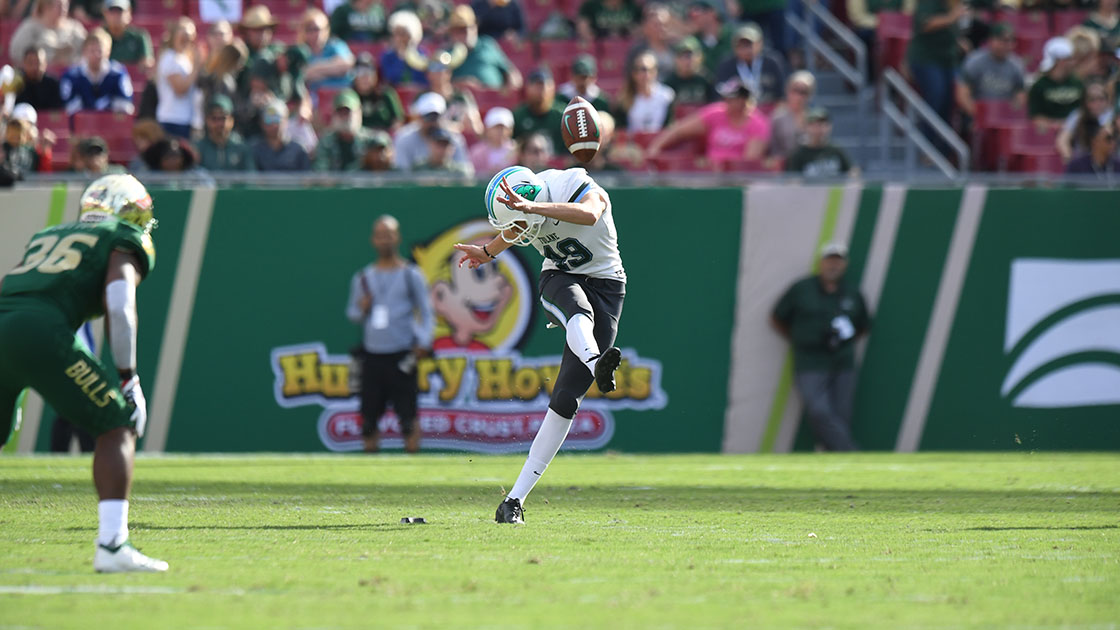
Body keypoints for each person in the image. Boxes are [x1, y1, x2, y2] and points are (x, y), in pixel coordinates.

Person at [0, 173, 168, 572]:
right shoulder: (123, 239)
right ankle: (112, 546)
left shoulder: (52, 233)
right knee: (116, 426)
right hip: (38, 328)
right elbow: (120, 304)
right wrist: (129, 379)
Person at [455, 165, 627, 524]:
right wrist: (488, 251)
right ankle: (597, 362)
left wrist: (532, 211)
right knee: (577, 310)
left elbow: (591, 212)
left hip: (608, 285)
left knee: (566, 399)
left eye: (521, 219)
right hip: (560, 275)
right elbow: (517, 227)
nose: (517, 232)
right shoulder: (526, 210)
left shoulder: (570, 183)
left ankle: (512, 501)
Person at [345, 215, 434, 454]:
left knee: (408, 416)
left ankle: (413, 468)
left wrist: (424, 342)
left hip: (402, 354)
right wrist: (362, 308)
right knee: (369, 419)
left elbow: (426, 311)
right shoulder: (363, 277)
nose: (384, 240)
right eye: (380, 235)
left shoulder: (410, 274)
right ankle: (369, 470)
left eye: (389, 234)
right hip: (373, 355)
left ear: (397, 237)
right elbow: (352, 313)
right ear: (373, 240)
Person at [771, 243, 871, 452]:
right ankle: (852, 454)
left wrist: (843, 341)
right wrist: (798, 338)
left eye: (838, 261)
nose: (833, 265)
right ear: (821, 262)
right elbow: (777, 317)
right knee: (819, 411)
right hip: (810, 361)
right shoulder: (802, 289)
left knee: (841, 415)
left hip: (842, 360)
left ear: (844, 264)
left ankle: (833, 465)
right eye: (829, 260)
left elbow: (863, 325)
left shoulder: (852, 292)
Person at [647, 78, 771, 165]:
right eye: (726, 97)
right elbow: (678, 130)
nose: (726, 101)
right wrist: (655, 147)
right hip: (710, 175)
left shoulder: (758, 124)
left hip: (737, 181)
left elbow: (748, 164)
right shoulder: (716, 113)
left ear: (744, 100)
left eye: (731, 98)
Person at [955, 22, 1025, 121]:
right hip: (977, 114)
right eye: (1002, 41)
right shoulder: (975, 61)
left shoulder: (1016, 64)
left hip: (1004, 116)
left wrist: (1012, 113)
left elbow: (1020, 95)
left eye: (1010, 41)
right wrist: (979, 115)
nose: (1006, 45)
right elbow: (962, 94)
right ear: (991, 41)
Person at [447, 5, 522, 91]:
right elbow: (439, 84)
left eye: (468, 27)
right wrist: (458, 85)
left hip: (494, 99)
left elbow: (513, 74)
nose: (466, 32)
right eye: (460, 29)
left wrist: (507, 90)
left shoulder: (487, 45)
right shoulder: (447, 55)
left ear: (475, 27)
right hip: (462, 101)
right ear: (452, 32)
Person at [60, 29, 134, 115]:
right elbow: (68, 107)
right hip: (81, 125)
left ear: (108, 51)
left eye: (99, 51)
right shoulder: (72, 76)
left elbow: (126, 106)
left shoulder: (118, 73)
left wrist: (107, 106)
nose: (96, 55)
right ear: (84, 51)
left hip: (110, 125)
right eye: (91, 50)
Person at [392, 91, 470, 171]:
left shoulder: (454, 139)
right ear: (419, 117)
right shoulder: (404, 139)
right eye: (428, 117)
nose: (433, 123)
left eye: (436, 117)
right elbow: (402, 175)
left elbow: (465, 175)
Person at [714, 23, 787, 106]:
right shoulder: (726, 66)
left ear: (760, 44)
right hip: (738, 111)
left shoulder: (772, 63)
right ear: (734, 47)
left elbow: (782, 93)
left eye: (749, 45)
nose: (746, 50)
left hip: (768, 109)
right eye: (741, 46)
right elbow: (719, 95)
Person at [155, 17, 200, 139]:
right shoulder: (170, 58)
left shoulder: (184, 59)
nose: (187, 36)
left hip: (184, 120)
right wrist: (196, 67)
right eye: (183, 31)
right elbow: (180, 89)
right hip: (172, 120)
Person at [8, 0, 87, 66]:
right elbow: (16, 52)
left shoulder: (74, 28)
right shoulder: (30, 27)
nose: (63, 9)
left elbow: (88, 49)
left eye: (65, 6)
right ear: (46, 7)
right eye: (59, 6)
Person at [1028, 37, 1084, 131]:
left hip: (1075, 132)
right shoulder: (1039, 86)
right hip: (1049, 135)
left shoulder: (1077, 83)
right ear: (1060, 61)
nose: (1073, 63)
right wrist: (1056, 124)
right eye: (1069, 59)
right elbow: (1036, 116)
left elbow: (1083, 112)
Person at [315, 89, 376, 171]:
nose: (344, 117)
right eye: (340, 112)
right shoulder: (326, 143)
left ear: (359, 112)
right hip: (336, 183)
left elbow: (384, 143)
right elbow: (321, 173)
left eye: (348, 112)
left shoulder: (371, 141)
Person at [615, 50, 675, 133]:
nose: (645, 74)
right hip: (633, 144)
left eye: (648, 70)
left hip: (661, 143)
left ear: (655, 71)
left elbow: (670, 126)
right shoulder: (624, 100)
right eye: (640, 70)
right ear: (633, 73)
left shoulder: (667, 96)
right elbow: (621, 129)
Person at [426, 51, 483, 137]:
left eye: (443, 67)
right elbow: (417, 126)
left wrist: (446, 127)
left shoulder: (462, 97)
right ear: (428, 73)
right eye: (434, 67)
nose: (440, 72)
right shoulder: (423, 98)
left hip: (459, 143)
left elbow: (476, 128)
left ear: (449, 72)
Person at [785, 108, 855, 177]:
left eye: (823, 125)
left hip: (832, 188)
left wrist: (853, 176)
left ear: (829, 127)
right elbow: (793, 180)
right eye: (814, 125)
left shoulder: (836, 150)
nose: (819, 129)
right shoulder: (799, 154)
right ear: (806, 127)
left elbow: (852, 171)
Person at [300, 8, 356, 95]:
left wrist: (315, 67)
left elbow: (346, 64)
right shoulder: (301, 51)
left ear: (326, 30)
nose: (313, 33)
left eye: (316, 29)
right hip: (315, 99)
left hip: (341, 95)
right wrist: (333, 70)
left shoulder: (336, 45)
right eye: (309, 29)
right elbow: (303, 75)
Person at [1057, 81, 1114, 162]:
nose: (1097, 103)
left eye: (1101, 99)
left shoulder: (1114, 116)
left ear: (1107, 100)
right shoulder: (1077, 116)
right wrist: (1068, 157)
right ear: (1085, 102)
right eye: (1092, 100)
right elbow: (1063, 139)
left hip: (1109, 161)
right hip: (1082, 160)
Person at [512, 67, 566, 154]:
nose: (541, 90)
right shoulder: (518, 116)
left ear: (552, 87)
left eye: (543, 86)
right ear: (527, 88)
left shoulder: (562, 115)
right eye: (536, 86)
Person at [196, 95, 254, 172]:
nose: (219, 123)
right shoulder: (198, 148)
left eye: (223, 118)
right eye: (214, 118)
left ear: (232, 120)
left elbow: (251, 179)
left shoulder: (241, 147)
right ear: (207, 120)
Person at [251, 100, 311, 171]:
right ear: (262, 123)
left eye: (277, 119)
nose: (274, 125)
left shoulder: (298, 150)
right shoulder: (254, 150)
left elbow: (306, 178)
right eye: (269, 120)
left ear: (286, 120)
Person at [768, 70, 815, 160]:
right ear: (787, 90)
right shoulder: (777, 117)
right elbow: (771, 149)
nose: (798, 96)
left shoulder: (814, 117)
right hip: (784, 167)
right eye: (795, 90)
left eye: (803, 92)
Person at [352, 53, 404, 133]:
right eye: (360, 72)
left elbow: (398, 121)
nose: (365, 77)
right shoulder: (350, 96)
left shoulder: (386, 94)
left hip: (385, 139)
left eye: (369, 72)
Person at [379, 10, 429, 87]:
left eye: (402, 34)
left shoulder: (421, 54)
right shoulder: (387, 57)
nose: (398, 38)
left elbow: (423, 80)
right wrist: (400, 57)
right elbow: (391, 78)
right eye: (396, 34)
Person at [665, 37, 718, 108]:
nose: (686, 61)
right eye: (681, 56)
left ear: (700, 57)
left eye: (689, 56)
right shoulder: (669, 83)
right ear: (676, 59)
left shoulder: (707, 80)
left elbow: (714, 106)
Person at [103, 0, 152, 72]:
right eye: (112, 11)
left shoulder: (139, 37)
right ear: (105, 13)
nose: (116, 16)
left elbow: (147, 63)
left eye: (120, 11)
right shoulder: (98, 37)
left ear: (129, 12)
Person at [688, 0, 732, 79]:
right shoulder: (693, 41)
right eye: (691, 15)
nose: (694, 16)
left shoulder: (732, 35)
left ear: (713, 12)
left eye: (699, 11)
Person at [470, 106, 517, 176]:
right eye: (496, 127)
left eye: (504, 128)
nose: (500, 131)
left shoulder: (517, 151)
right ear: (487, 129)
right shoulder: (476, 152)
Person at [14, 45, 64, 111]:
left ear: (45, 64)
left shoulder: (53, 84)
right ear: (24, 63)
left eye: (38, 63)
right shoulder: (16, 84)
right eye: (30, 63)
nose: (35, 67)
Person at [577, 0, 642, 40]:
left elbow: (640, 30)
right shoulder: (591, 5)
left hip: (626, 46)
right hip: (599, 46)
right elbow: (583, 28)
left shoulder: (632, 5)